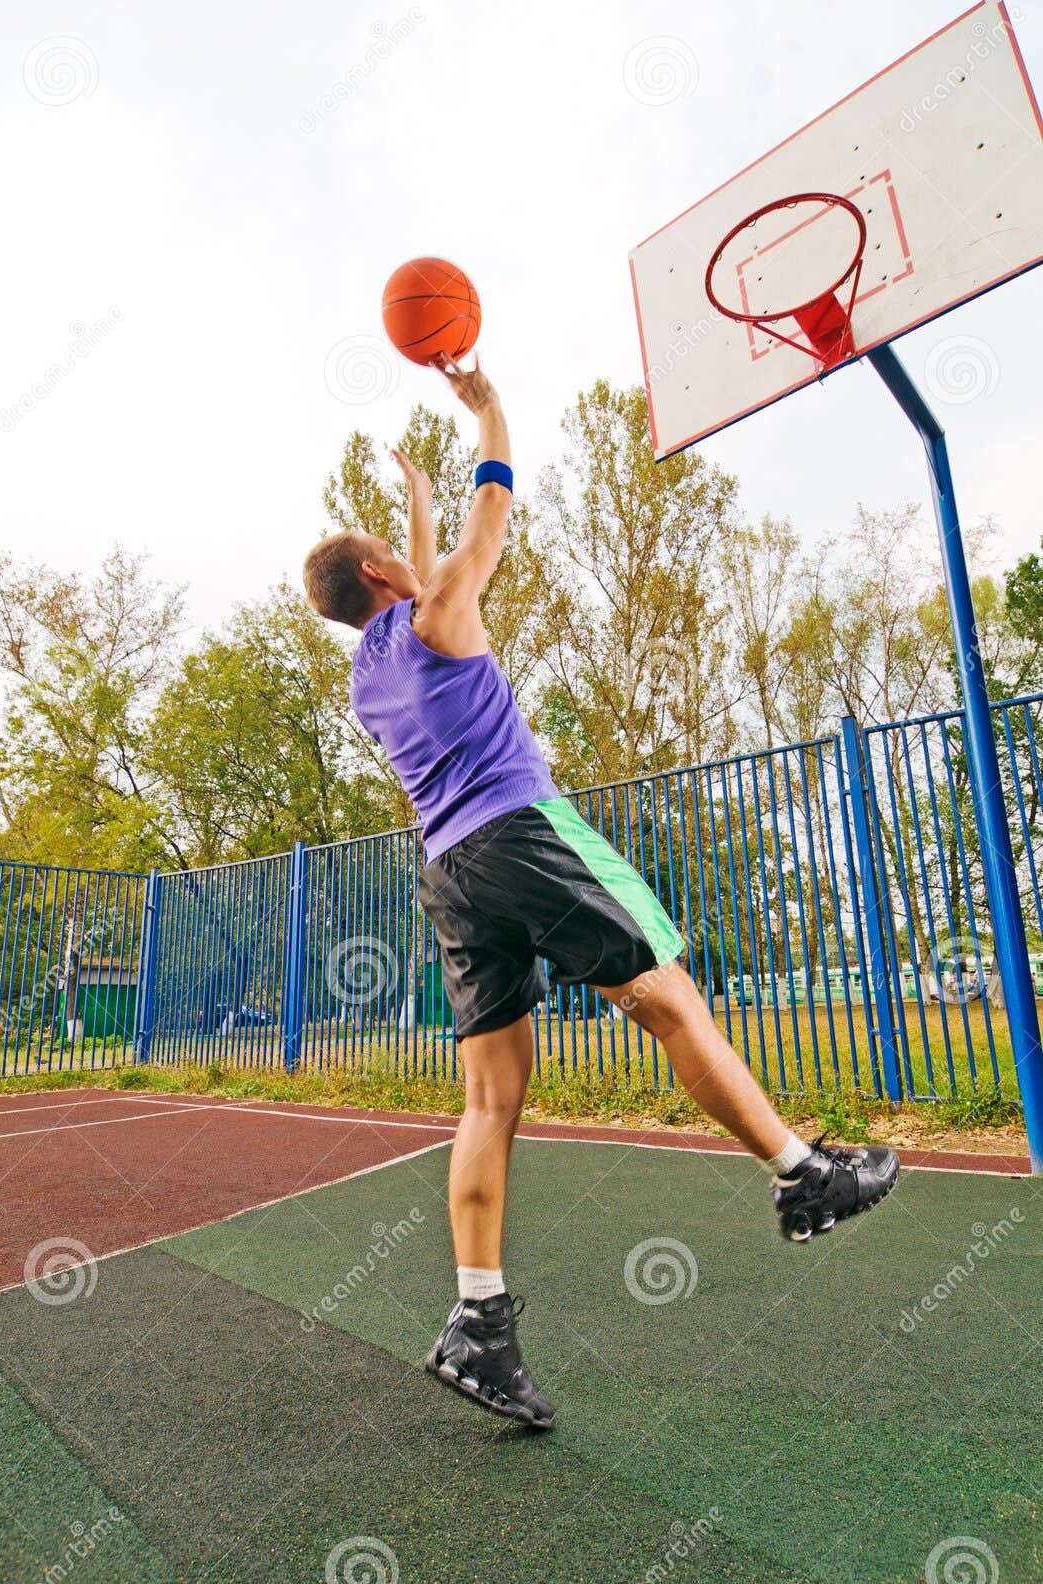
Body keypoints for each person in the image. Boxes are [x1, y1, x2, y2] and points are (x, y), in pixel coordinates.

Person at [302, 359, 898, 1430]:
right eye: (399, 554)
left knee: (490, 1099)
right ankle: (800, 1175)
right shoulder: (438, 609)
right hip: (517, 837)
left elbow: (432, 572)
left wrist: (411, 508)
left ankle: (476, 1319)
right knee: (666, 997)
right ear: (387, 572)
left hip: (449, 871)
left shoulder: (369, 670)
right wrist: (483, 409)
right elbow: (497, 509)